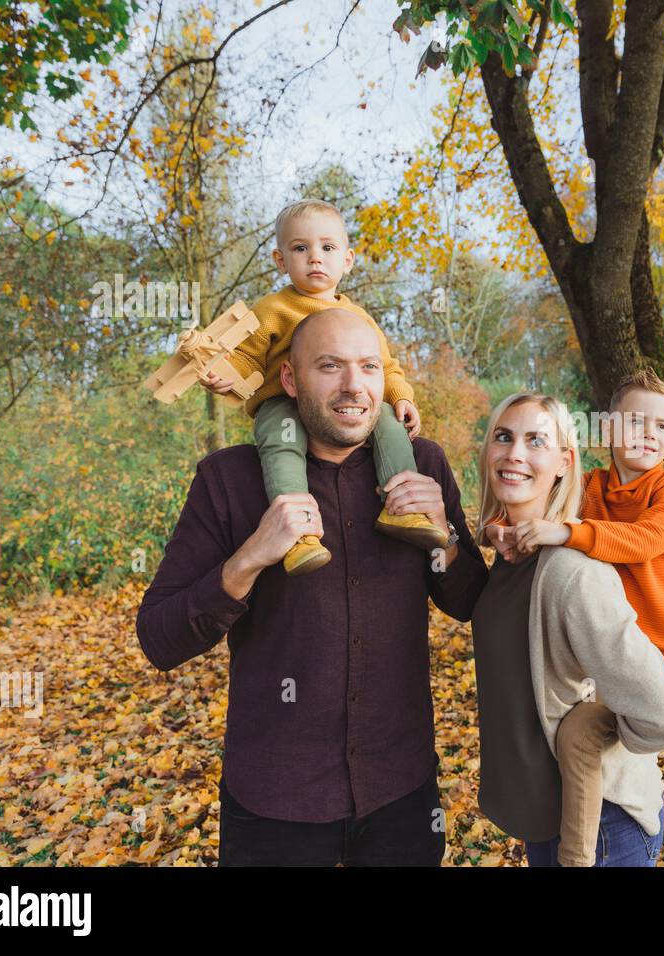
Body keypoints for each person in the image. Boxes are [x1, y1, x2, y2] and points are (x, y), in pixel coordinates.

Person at [136, 308, 488, 866]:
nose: (354, 386)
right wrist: (249, 558)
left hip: (400, 793)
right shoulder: (227, 480)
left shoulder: (422, 463)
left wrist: (443, 537)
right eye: (330, 366)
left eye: (368, 367)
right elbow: (160, 637)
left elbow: (468, 601)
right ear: (291, 381)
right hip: (275, 804)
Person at [470, 392, 664, 867]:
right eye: (504, 437)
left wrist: (613, 727)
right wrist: (491, 530)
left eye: (536, 441)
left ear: (563, 460)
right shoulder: (518, 549)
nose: (515, 453)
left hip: (606, 827)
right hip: (544, 812)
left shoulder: (575, 568)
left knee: (582, 732)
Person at [201, 198, 444, 576]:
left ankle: (404, 507)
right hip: (282, 403)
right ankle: (298, 535)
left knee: (389, 425)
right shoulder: (272, 309)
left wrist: (401, 396)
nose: (315, 258)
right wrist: (227, 373)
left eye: (327, 248)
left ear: (347, 259)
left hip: (349, 410)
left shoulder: (359, 318)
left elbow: (386, 366)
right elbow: (247, 355)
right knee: (283, 446)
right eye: (301, 248)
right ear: (281, 260)